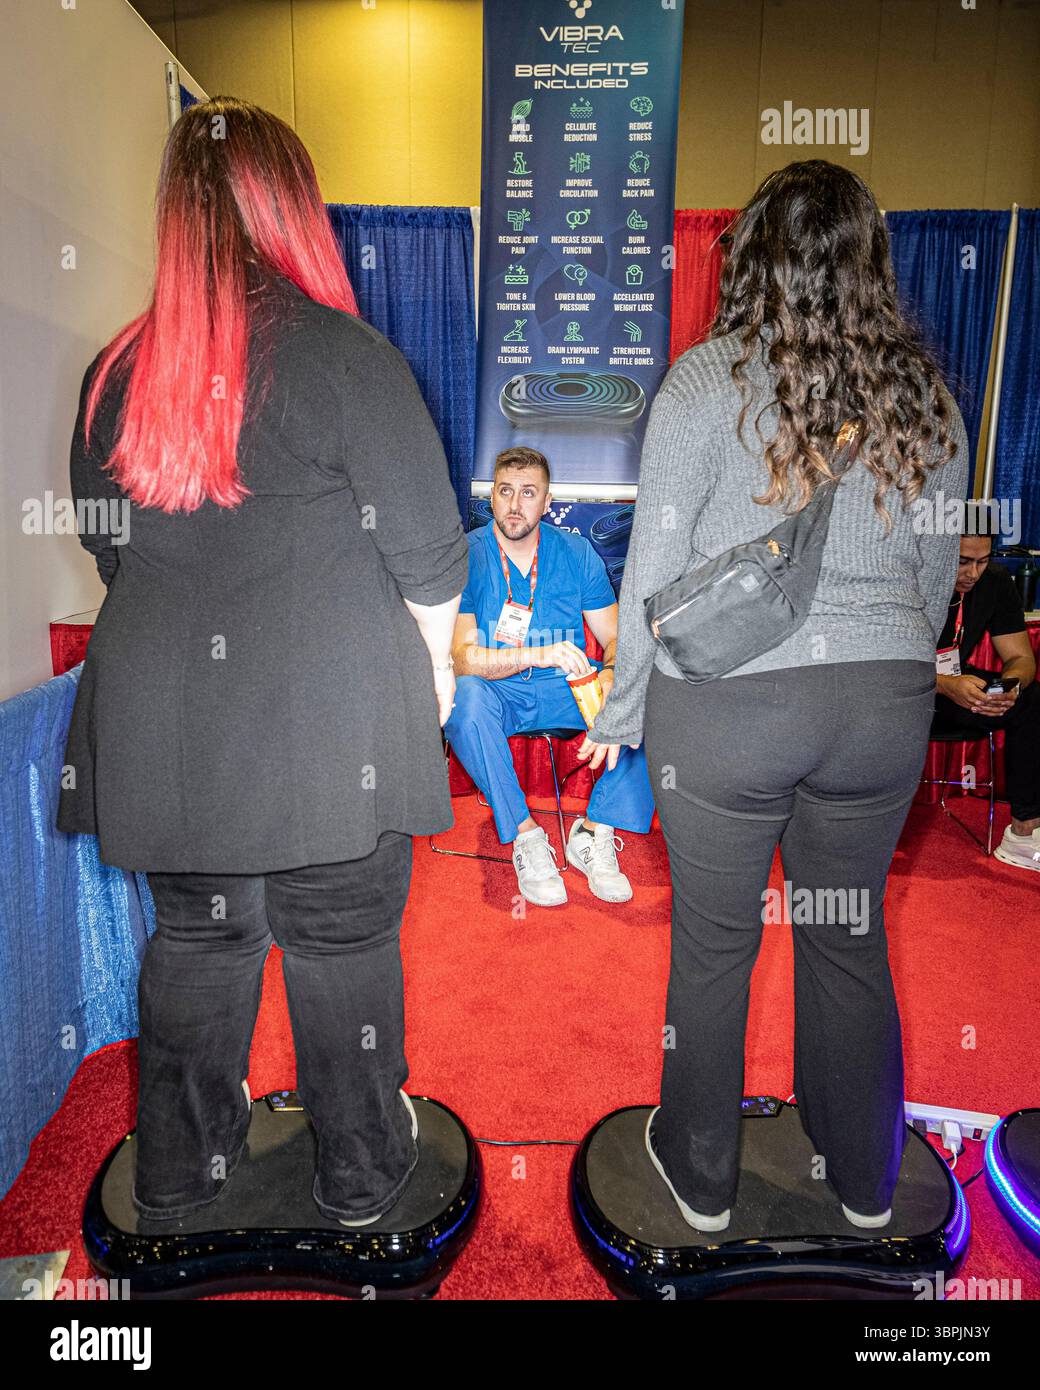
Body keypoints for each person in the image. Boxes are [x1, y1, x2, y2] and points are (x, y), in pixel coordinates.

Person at [56, 97, 469, 1227]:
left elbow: (110, 552)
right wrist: (431, 680)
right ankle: (360, 1174)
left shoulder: (111, 376)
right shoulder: (347, 357)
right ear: (292, 207)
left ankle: (182, 1174)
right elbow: (432, 560)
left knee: (199, 942)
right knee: (341, 946)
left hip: (167, 738)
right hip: (334, 732)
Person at [585, 159, 970, 1232]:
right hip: (884, 704)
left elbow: (651, 579)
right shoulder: (927, 400)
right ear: (870, 269)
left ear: (748, 256)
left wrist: (618, 718)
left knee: (714, 946)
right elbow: (935, 584)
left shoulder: (704, 383)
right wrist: (887, 655)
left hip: (728, 706)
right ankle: (860, 1182)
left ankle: (700, 1182)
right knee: (843, 935)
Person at [445, 446, 654, 908]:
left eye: (528, 493)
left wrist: (613, 674)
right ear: (492, 497)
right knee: (464, 697)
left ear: (547, 501)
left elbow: (617, 637)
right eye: (505, 491)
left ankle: (594, 832)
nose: (515, 504)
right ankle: (526, 835)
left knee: (644, 694)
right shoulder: (466, 553)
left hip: (566, 691)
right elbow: (462, 658)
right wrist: (537, 653)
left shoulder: (576, 552)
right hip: (498, 691)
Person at [932, 531, 1039, 871]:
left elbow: (1021, 659)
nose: (973, 573)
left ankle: (1024, 834)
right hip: (905, 692)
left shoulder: (993, 582)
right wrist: (945, 685)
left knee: (1033, 700)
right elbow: (883, 665)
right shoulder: (911, 579)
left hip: (958, 693)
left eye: (983, 560)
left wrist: (1010, 689)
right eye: (963, 561)